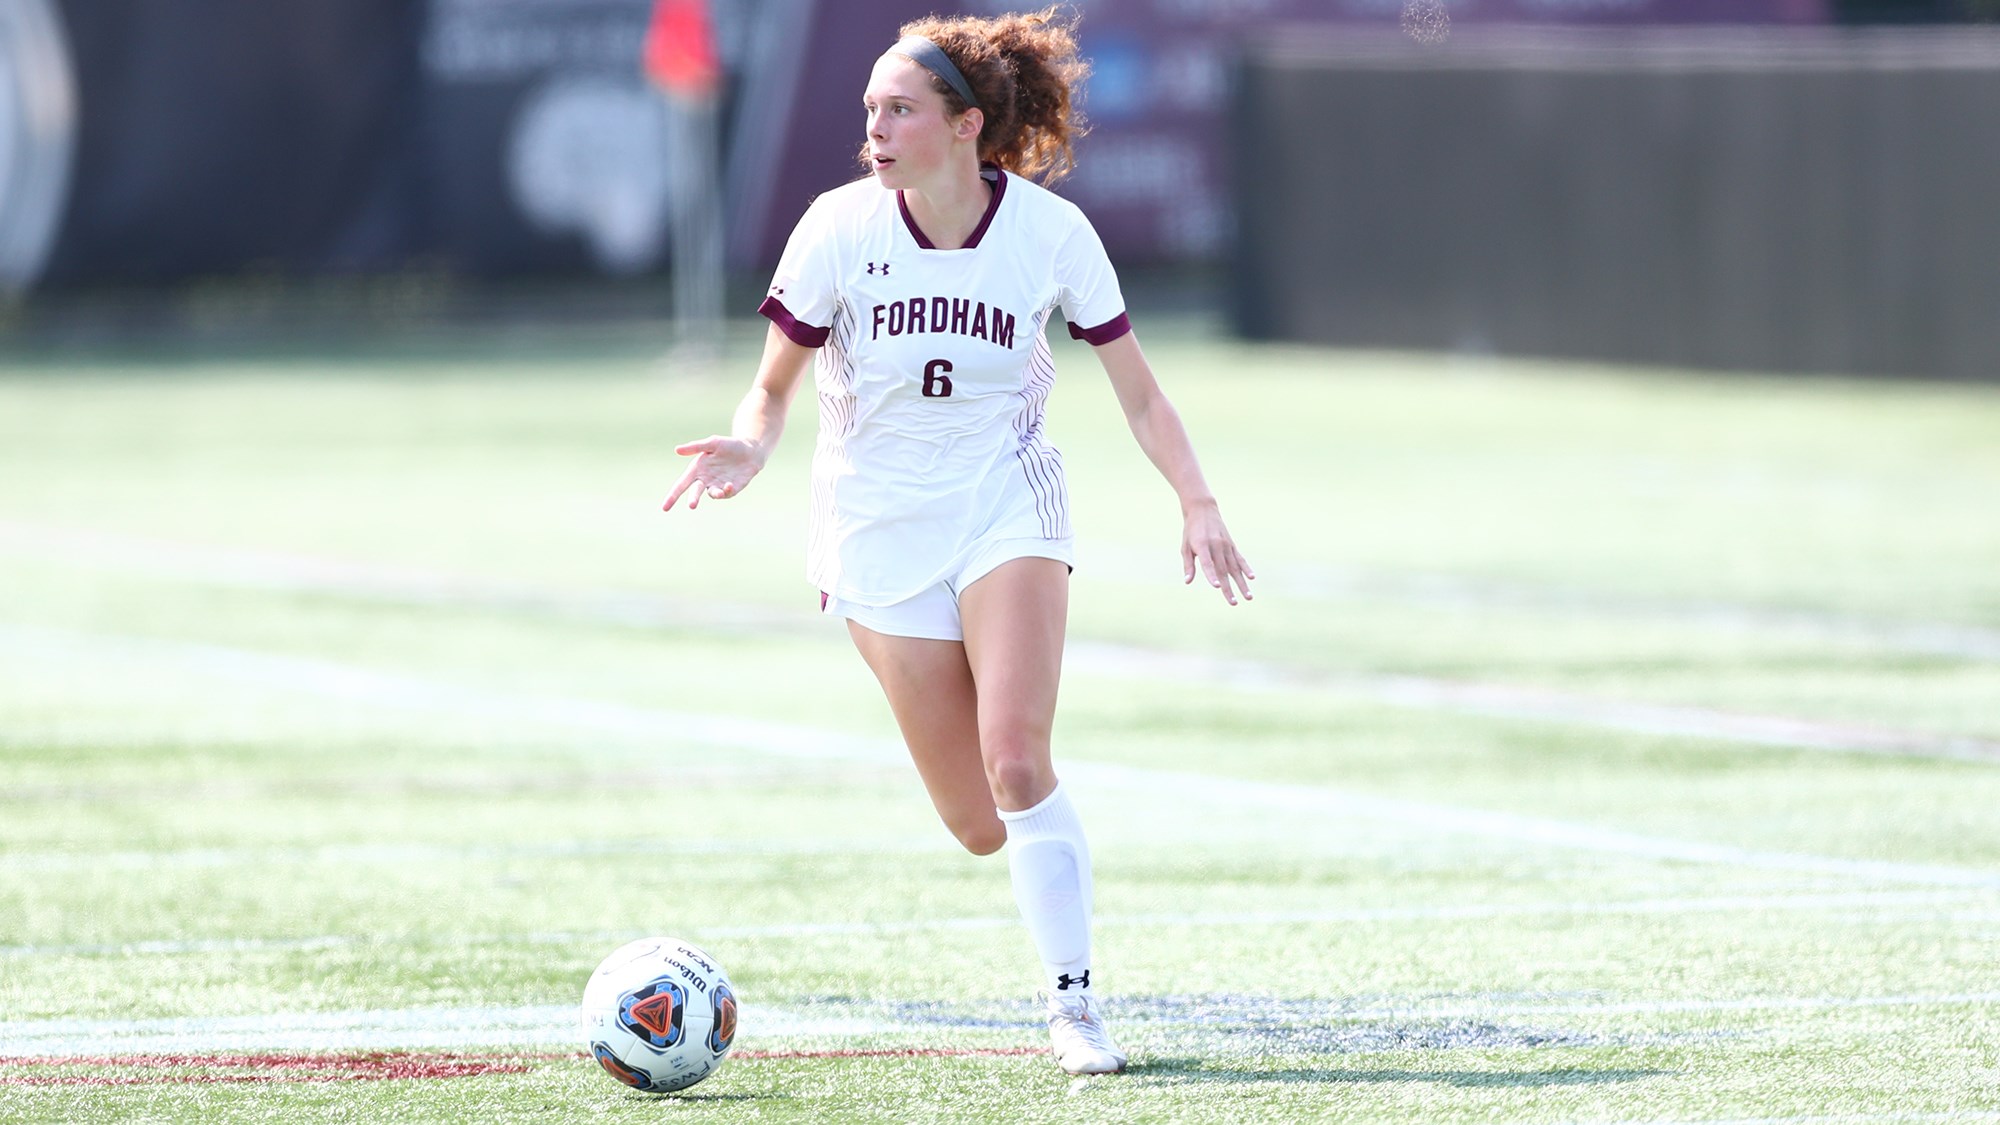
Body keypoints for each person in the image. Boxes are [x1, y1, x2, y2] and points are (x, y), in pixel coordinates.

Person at [662, 6, 1253, 1077]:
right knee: (980, 824)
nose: (875, 131)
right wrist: (749, 447)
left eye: (899, 110)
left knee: (1018, 760)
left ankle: (1072, 1004)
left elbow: (1137, 391)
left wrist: (1196, 498)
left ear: (966, 125)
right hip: (875, 532)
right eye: (868, 111)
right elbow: (769, 389)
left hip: (1003, 504)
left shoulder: (1049, 234)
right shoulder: (838, 227)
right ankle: (1041, 899)